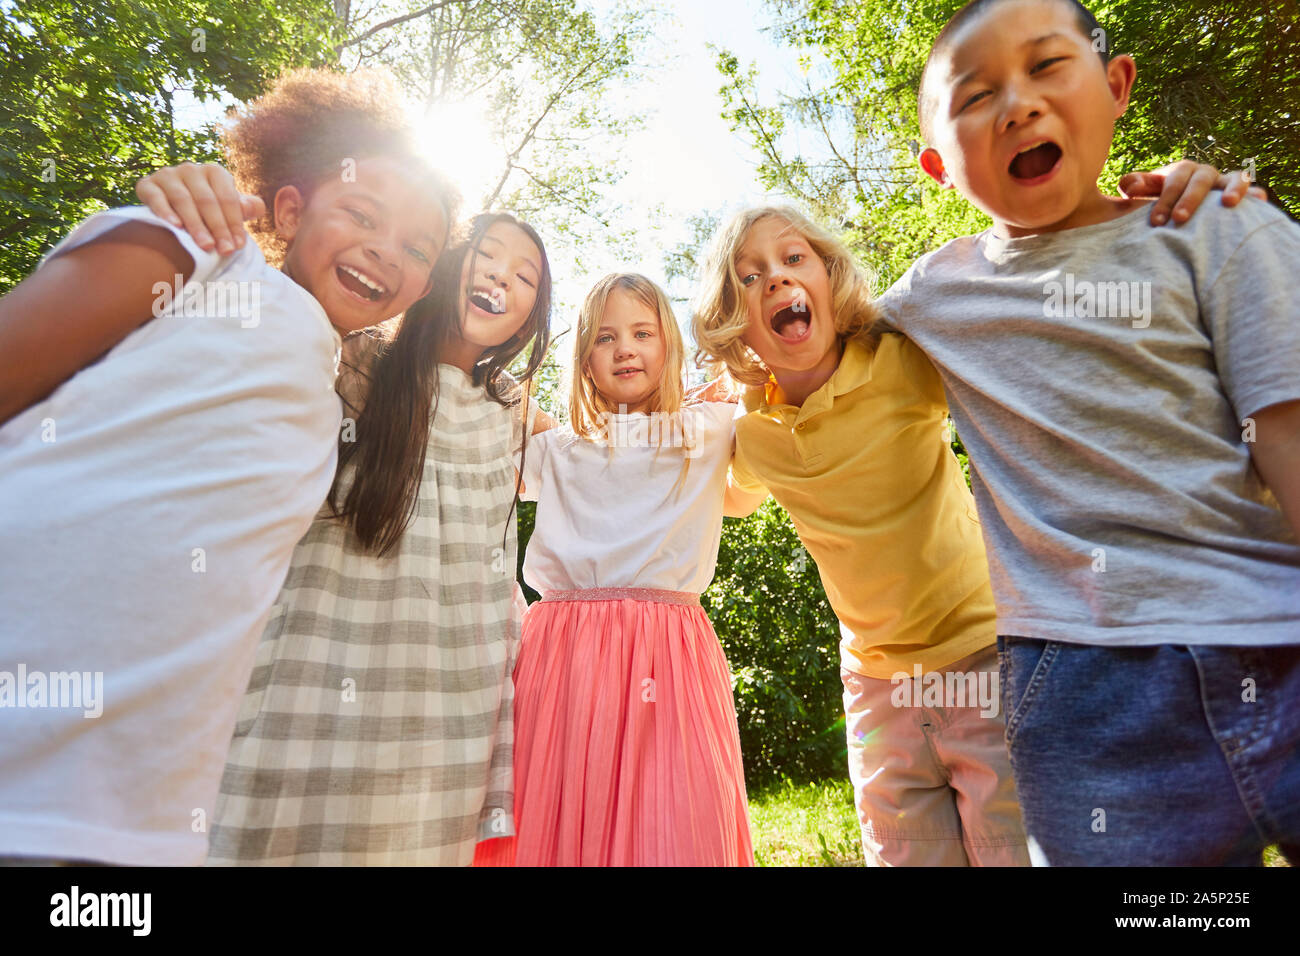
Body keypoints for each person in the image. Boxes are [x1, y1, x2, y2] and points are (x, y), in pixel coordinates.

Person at [0, 67, 457, 866]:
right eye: (361, 213)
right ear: (289, 207)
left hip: (133, 813)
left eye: (418, 248)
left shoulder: (334, 404)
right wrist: (185, 200)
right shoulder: (200, 252)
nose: (386, 248)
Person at [880, 0, 1300, 865]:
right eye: (974, 96)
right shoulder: (934, 296)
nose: (1017, 105)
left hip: (1279, 631)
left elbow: (1287, 431)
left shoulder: (1218, 224)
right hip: (1084, 683)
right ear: (937, 167)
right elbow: (819, 349)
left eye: (1045, 67)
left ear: (1116, 87)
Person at [492, 273, 755, 866]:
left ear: (670, 346)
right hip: (564, 654)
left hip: (670, 650)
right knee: (557, 811)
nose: (626, 349)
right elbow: (485, 419)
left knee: (678, 815)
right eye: (605, 338)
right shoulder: (558, 449)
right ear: (585, 360)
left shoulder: (706, 432)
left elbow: (772, 377)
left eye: (643, 332)